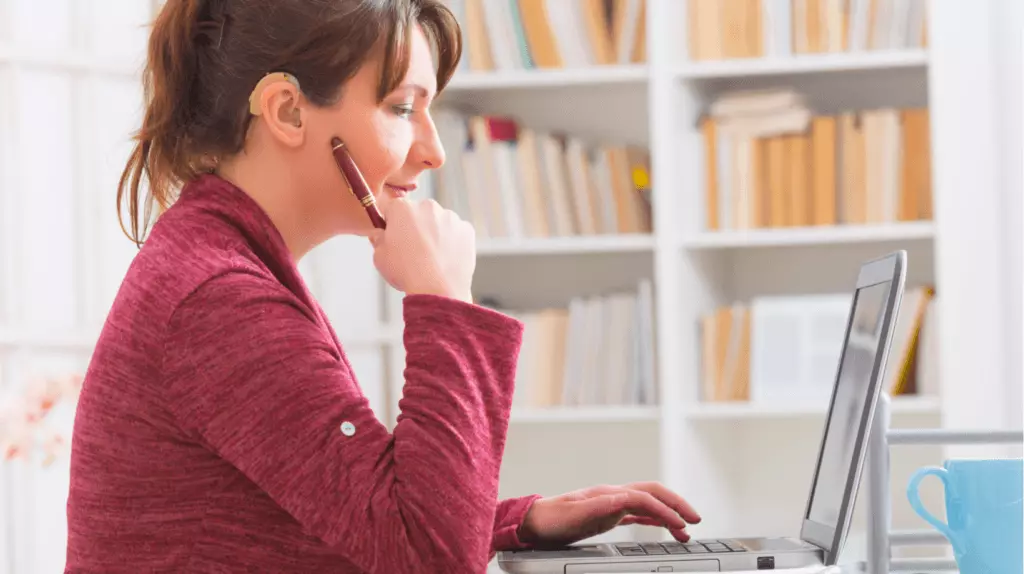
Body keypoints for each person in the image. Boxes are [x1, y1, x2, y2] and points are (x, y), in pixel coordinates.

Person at [64, 1, 701, 572]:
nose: (433, 150)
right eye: (402, 108)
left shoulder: (224, 264)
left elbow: (361, 521)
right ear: (288, 111)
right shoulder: (220, 298)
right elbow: (428, 559)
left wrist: (512, 523)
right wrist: (445, 302)